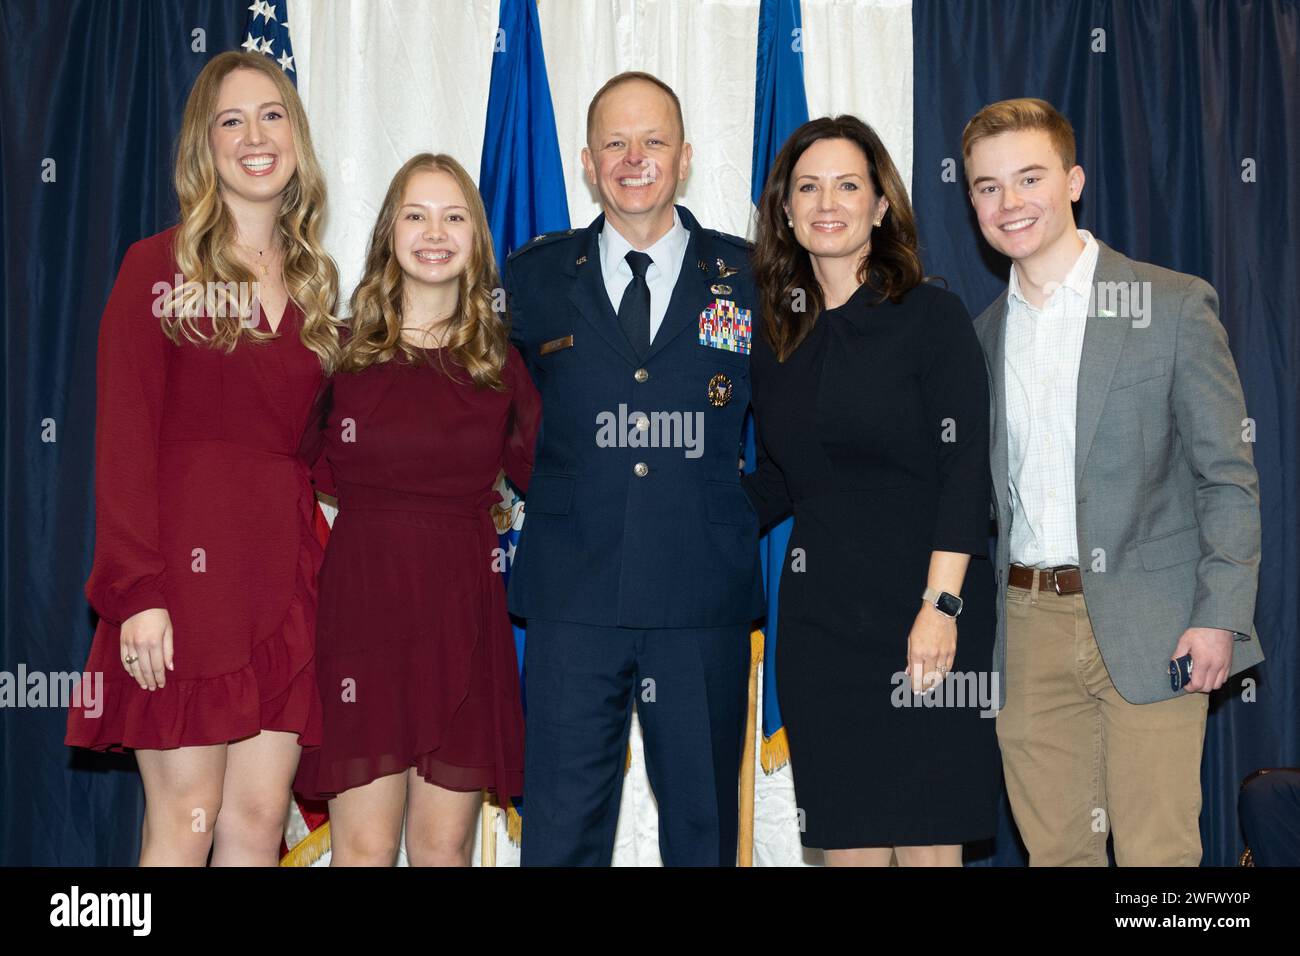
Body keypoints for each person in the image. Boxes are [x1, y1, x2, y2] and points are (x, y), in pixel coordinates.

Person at [963, 97, 1263, 865]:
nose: (1009, 203)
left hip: (1157, 623)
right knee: (1059, 855)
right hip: (1027, 624)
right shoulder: (982, 335)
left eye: (1029, 178)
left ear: (1074, 181)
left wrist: (1220, 614)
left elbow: (1227, 477)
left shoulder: (1169, 304)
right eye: (988, 187)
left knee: (1159, 857)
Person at [65, 51, 342, 866]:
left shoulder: (319, 286)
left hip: (286, 584)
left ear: (296, 136)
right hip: (183, 589)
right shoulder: (156, 268)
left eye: (272, 115)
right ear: (203, 146)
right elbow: (122, 439)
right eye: (232, 120)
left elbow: (326, 453)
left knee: (257, 825)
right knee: (187, 818)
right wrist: (137, 591)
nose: (255, 136)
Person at [505, 71, 764, 866]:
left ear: (684, 158)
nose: (634, 158)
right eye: (614, 143)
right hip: (573, 594)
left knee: (703, 833)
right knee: (559, 834)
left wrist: (736, 506)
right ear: (587, 161)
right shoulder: (533, 277)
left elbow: (796, 421)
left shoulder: (752, 276)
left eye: (653, 141)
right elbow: (498, 413)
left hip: (701, 593)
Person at [743, 115, 1000, 865]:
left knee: (926, 846)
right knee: (844, 847)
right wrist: (678, 507)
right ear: (785, 211)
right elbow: (785, 481)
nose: (829, 202)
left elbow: (965, 471)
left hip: (928, 615)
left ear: (881, 205)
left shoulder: (932, 316)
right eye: (809, 187)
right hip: (822, 628)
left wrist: (940, 606)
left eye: (849, 185)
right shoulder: (774, 335)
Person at [292, 154, 538, 866]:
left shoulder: (501, 364)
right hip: (362, 615)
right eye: (417, 214)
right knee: (363, 852)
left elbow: (553, 477)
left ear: (477, 239)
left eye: (454, 216)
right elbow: (292, 467)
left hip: (464, 615)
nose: (436, 232)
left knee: (444, 851)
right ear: (388, 233)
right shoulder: (338, 353)